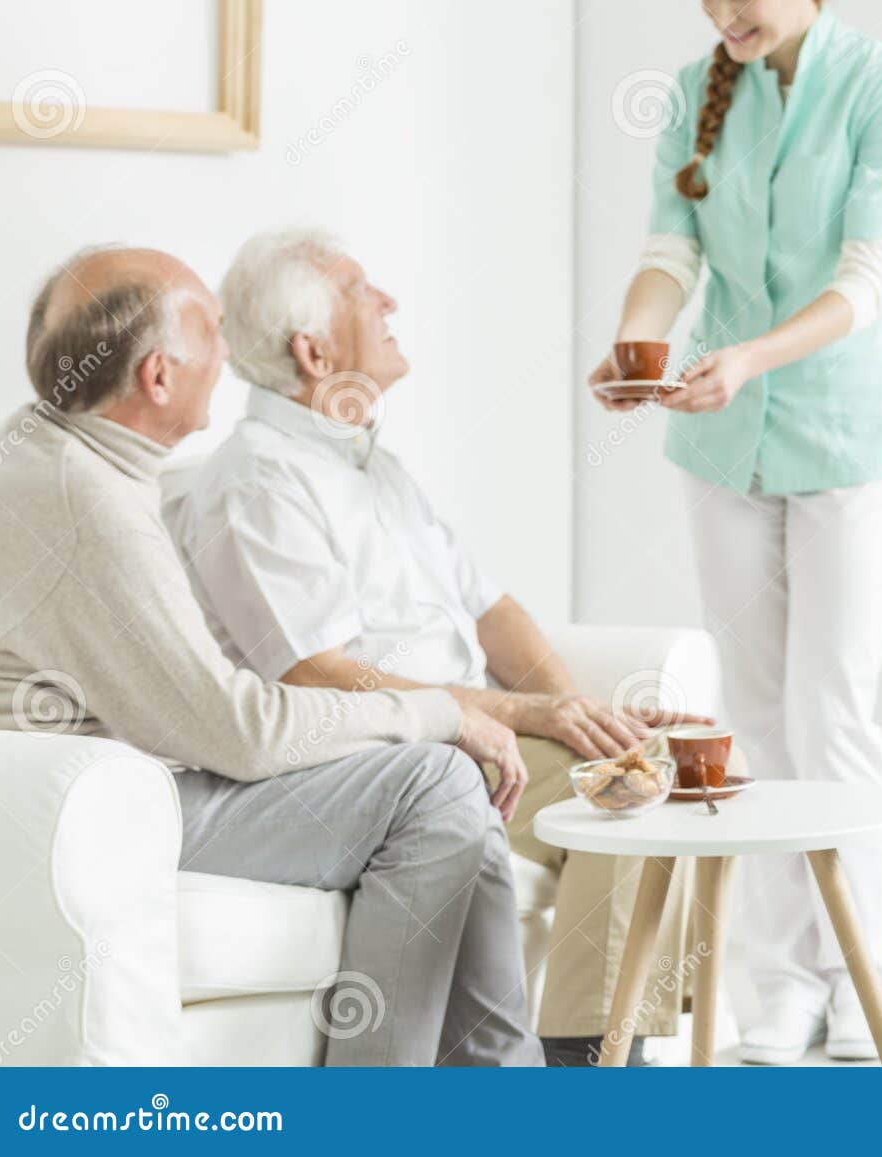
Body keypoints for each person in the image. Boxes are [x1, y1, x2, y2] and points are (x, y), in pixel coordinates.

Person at [164, 228, 720, 1067]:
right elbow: (317, 675)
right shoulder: (254, 482)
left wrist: (580, 715)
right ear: (314, 351)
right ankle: (596, 1072)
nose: (388, 302)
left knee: (676, 763)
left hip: (476, 736)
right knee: (641, 785)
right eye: (362, 292)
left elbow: (492, 612)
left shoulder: (374, 468)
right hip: (385, 758)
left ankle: (607, 1056)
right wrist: (522, 713)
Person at [0, 246, 540, 1066]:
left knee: (449, 789)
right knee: (435, 780)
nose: (228, 357)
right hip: (106, 805)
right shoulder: (89, 503)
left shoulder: (52, 455)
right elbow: (238, 731)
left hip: (118, 783)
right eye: (214, 335)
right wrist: (443, 712)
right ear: (156, 377)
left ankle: (507, 1093)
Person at [589, 0, 882, 1062]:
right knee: (749, 717)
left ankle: (860, 978)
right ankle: (776, 988)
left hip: (849, 441)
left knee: (831, 711)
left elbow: (866, 280)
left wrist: (748, 359)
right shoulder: (697, 91)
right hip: (717, 442)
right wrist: (636, 340)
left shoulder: (881, 86)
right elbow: (670, 247)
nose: (725, 11)